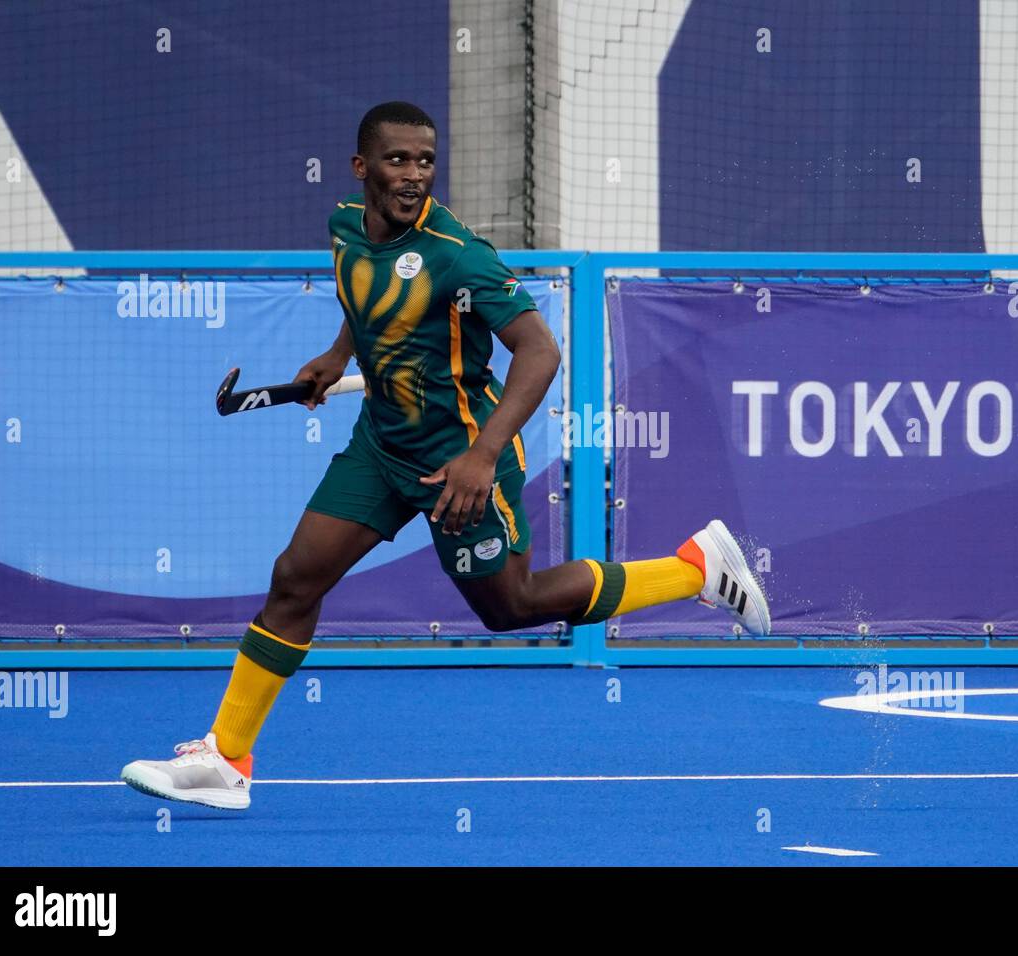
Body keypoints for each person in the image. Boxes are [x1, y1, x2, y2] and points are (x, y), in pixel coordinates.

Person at [120, 102, 769, 810]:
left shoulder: (455, 255)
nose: (414, 175)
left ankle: (693, 569)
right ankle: (227, 759)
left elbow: (539, 350)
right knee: (295, 578)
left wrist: (483, 456)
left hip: (460, 458)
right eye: (398, 160)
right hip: (382, 443)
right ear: (360, 168)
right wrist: (336, 357)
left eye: (426, 161)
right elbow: (363, 295)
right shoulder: (345, 227)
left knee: (511, 606)